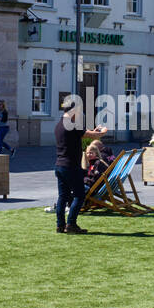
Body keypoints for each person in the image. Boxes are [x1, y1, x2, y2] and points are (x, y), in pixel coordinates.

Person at [55, 100, 107, 234]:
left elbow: (80, 135)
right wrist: (102, 132)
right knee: (79, 195)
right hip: (71, 166)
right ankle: (71, 224)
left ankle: (60, 225)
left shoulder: (60, 124)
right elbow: (92, 135)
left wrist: (92, 132)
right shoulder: (72, 125)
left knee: (63, 197)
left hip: (60, 165)